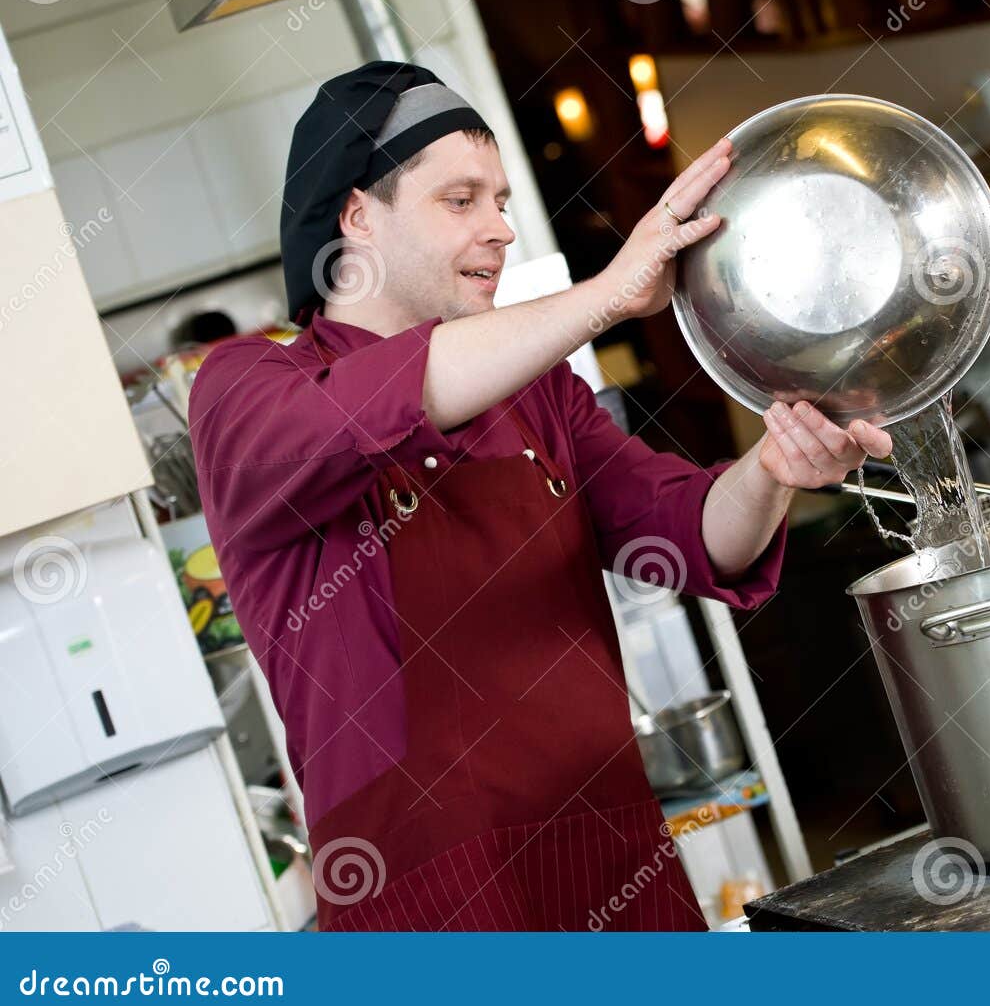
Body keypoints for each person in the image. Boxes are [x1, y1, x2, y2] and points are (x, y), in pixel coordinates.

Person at [189, 61, 891, 930]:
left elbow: (691, 532)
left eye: (501, 202)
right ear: (357, 215)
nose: (500, 229)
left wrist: (773, 471)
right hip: (431, 906)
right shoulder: (249, 389)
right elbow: (392, 398)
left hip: (617, 862)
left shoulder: (538, 391)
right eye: (461, 200)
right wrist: (606, 294)